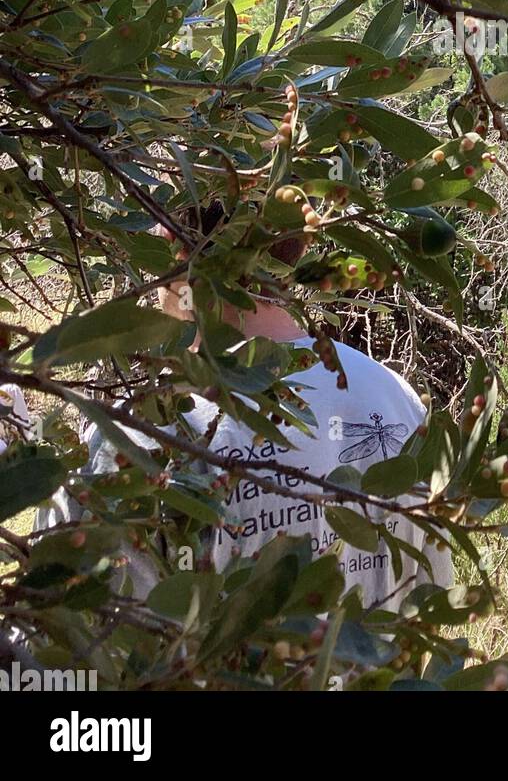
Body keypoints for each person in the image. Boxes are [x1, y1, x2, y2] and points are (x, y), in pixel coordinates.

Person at [38, 203, 452, 609]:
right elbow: (430, 600)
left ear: (173, 247)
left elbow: (69, 642)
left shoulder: (137, 434)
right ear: (298, 247)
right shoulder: (395, 397)